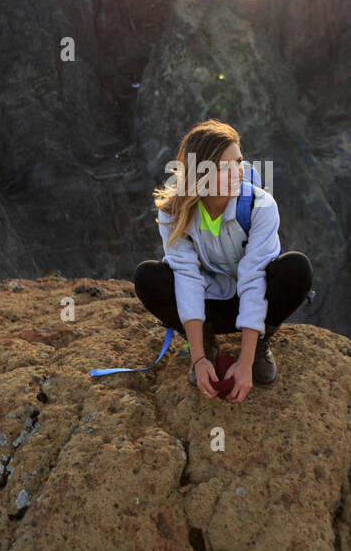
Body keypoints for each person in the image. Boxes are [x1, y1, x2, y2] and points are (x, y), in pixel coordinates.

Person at [133, 119, 313, 403]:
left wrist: (245, 361)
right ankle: (206, 340)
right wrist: (199, 358)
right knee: (148, 276)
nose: (237, 173)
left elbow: (254, 277)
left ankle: (260, 342)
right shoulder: (174, 212)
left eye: (239, 162)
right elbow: (187, 277)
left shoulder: (259, 207)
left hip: (253, 302)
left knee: (295, 268)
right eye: (223, 167)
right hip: (209, 305)